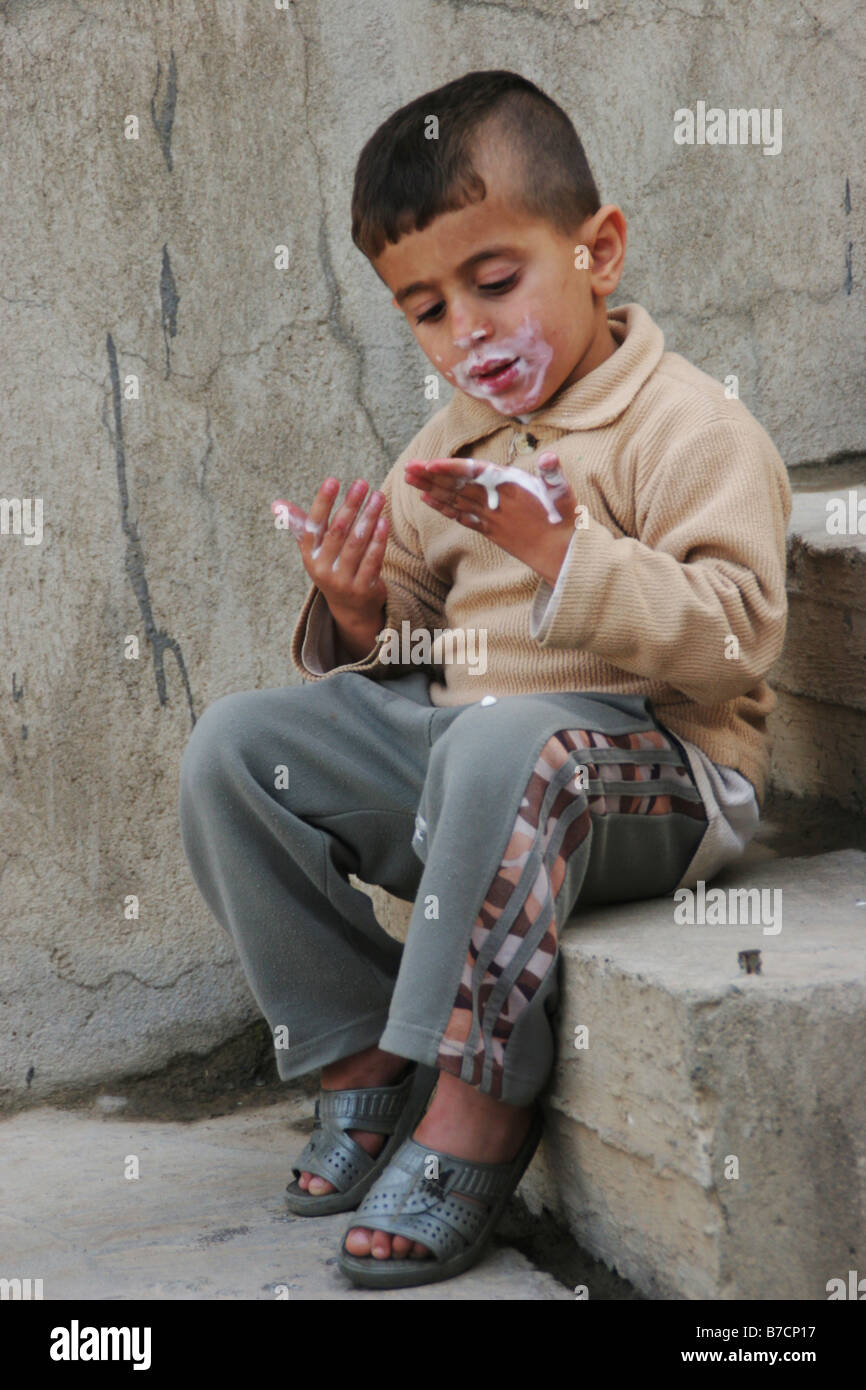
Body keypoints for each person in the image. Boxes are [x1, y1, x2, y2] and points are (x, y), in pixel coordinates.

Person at [178, 69, 792, 1291]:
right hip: (475, 762)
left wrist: (565, 554)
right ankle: (359, 1056)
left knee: (502, 742)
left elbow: (736, 638)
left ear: (597, 249)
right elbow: (416, 639)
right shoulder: (446, 438)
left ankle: (474, 1105)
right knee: (238, 748)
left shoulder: (686, 426)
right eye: (423, 308)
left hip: (651, 776)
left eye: (493, 282)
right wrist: (360, 612)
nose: (464, 330)